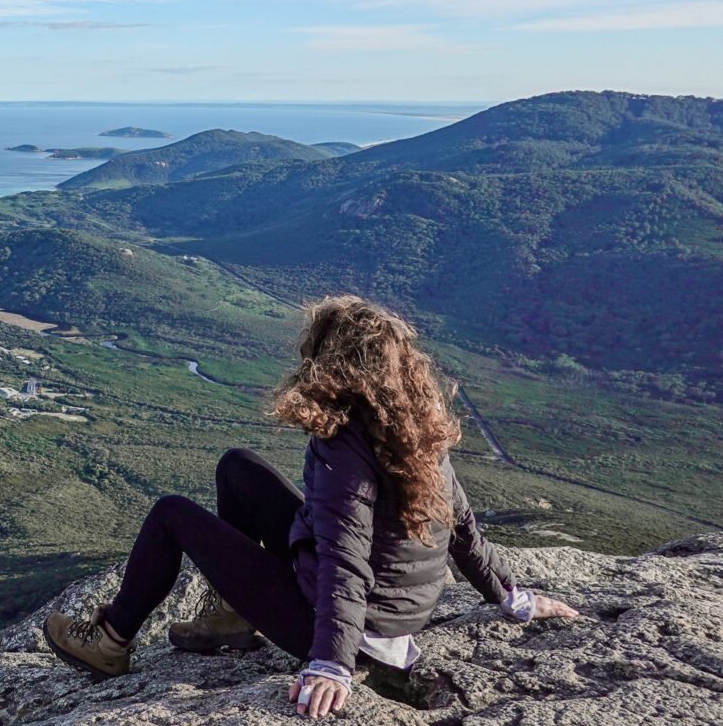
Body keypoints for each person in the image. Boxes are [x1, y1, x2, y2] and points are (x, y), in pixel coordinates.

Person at [42, 295, 578, 719]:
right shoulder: (415, 428)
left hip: (347, 628)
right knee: (238, 466)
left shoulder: (342, 445)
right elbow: (463, 531)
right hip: (388, 615)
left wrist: (331, 665)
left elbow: (347, 562)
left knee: (171, 514)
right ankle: (232, 617)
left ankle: (110, 641)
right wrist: (516, 598)